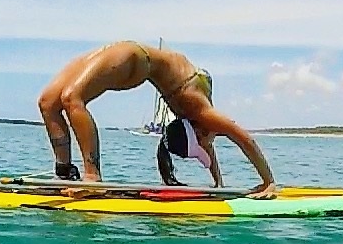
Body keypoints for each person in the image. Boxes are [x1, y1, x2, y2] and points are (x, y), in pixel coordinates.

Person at [34, 41, 279, 198]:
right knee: (60, 100)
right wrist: (268, 182)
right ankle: (80, 174)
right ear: (201, 131)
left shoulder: (196, 116)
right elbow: (244, 139)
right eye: (208, 140)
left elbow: (206, 147)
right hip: (134, 56)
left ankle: (78, 174)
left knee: (59, 100)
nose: (209, 143)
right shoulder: (203, 114)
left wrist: (218, 184)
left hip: (130, 55)